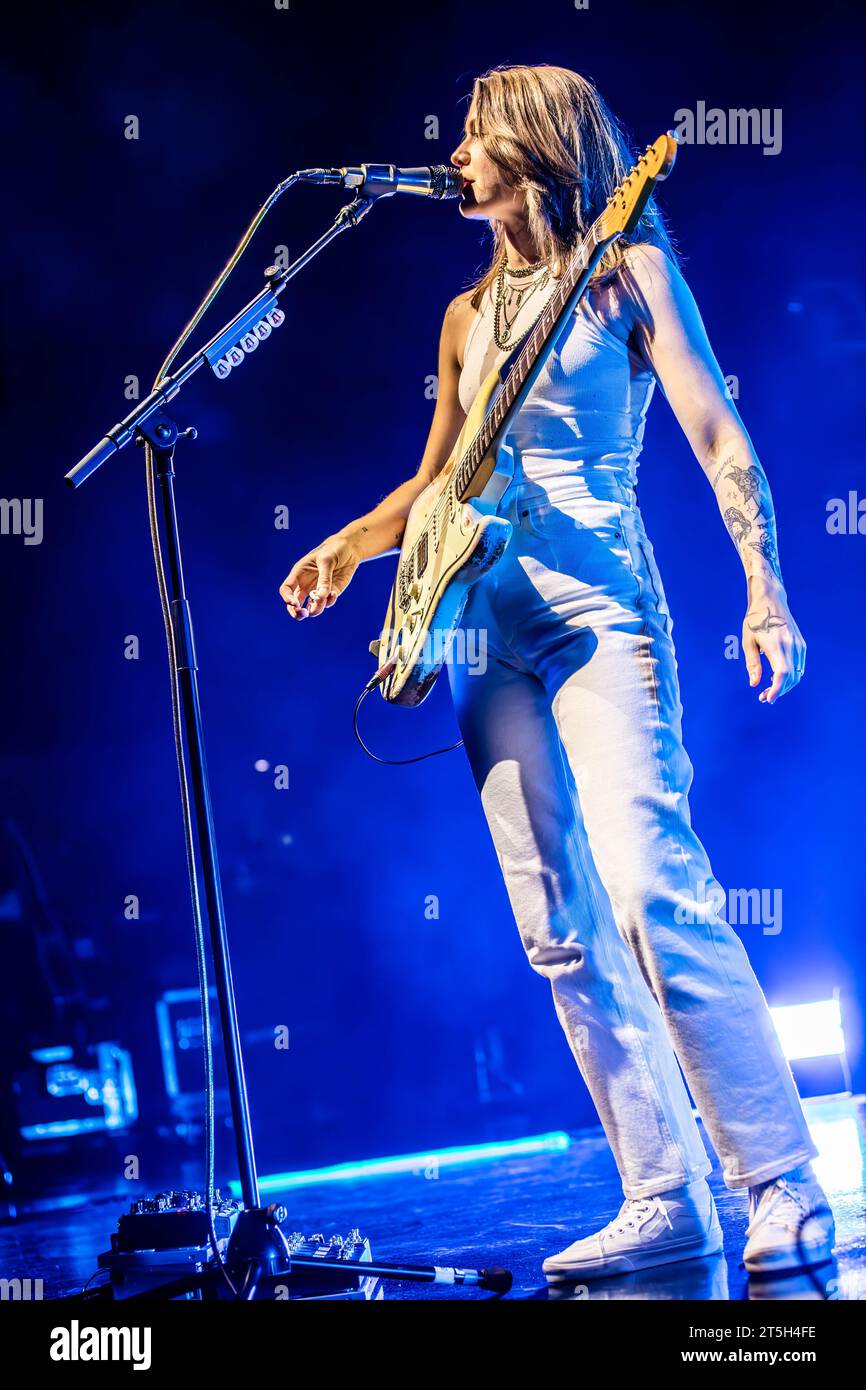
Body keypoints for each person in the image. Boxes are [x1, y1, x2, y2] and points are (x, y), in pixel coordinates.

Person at [279, 63, 834, 1282]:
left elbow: (709, 429)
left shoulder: (625, 268)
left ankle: (779, 1178)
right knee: (554, 926)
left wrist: (763, 581)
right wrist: (347, 544)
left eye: (477, 133)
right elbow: (438, 482)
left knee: (650, 885)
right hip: (479, 621)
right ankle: (659, 1190)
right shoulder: (463, 317)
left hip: (598, 605)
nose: (457, 151)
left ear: (532, 148)